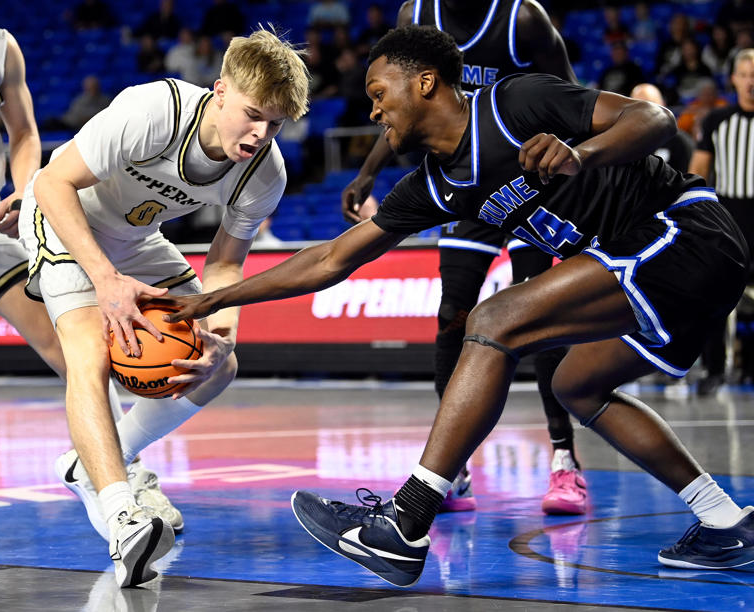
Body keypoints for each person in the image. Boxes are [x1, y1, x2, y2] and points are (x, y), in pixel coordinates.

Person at [156, 25, 754, 587]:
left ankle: (406, 523)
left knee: (493, 320)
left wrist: (584, 154)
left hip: (685, 232)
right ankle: (723, 519)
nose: (373, 108)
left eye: (379, 91)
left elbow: (654, 118)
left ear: (424, 83)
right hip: (652, 271)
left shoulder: (512, 103)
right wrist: (213, 296)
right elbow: (330, 260)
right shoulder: (433, 186)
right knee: (578, 385)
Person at [17, 27, 309, 588]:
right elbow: (52, 182)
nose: (260, 134)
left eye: (275, 123)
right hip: (64, 216)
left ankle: (94, 459)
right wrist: (105, 281)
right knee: (89, 354)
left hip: (136, 239)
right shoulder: (156, 109)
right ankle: (121, 514)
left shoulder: (264, 171)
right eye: (252, 115)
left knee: (221, 367)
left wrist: (222, 333)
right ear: (219, 91)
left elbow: (224, 265)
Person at [340, 0, 588, 517]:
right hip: (463, 180)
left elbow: (573, 101)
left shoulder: (523, 19)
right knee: (452, 318)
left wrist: (567, 167)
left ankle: (565, 460)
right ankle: (452, 471)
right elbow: (401, 103)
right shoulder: (417, 13)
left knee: (538, 320)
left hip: (524, 181)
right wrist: (367, 172)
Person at [0, 24, 181, 540]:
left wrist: (27, 190)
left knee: (76, 348)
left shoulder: (0, 46)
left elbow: (24, 132)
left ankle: (116, 475)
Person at [688, 48, 754, 395]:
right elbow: (697, 173)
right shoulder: (716, 121)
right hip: (729, 220)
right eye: (745, 74)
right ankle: (713, 370)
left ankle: (748, 368)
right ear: (734, 80)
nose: (751, 81)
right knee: (715, 295)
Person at [630, 83, 695, 173]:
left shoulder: (681, 142)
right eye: (637, 106)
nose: (644, 112)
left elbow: (690, 179)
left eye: (649, 104)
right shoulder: (625, 145)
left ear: (663, 106)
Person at [42, 75, 112, 132]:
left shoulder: (105, 100)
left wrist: (82, 117)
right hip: (69, 121)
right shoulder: (80, 99)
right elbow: (73, 112)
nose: (89, 88)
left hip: (79, 125)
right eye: (87, 86)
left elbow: (99, 115)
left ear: (97, 86)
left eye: (91, 86)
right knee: (50, 121)